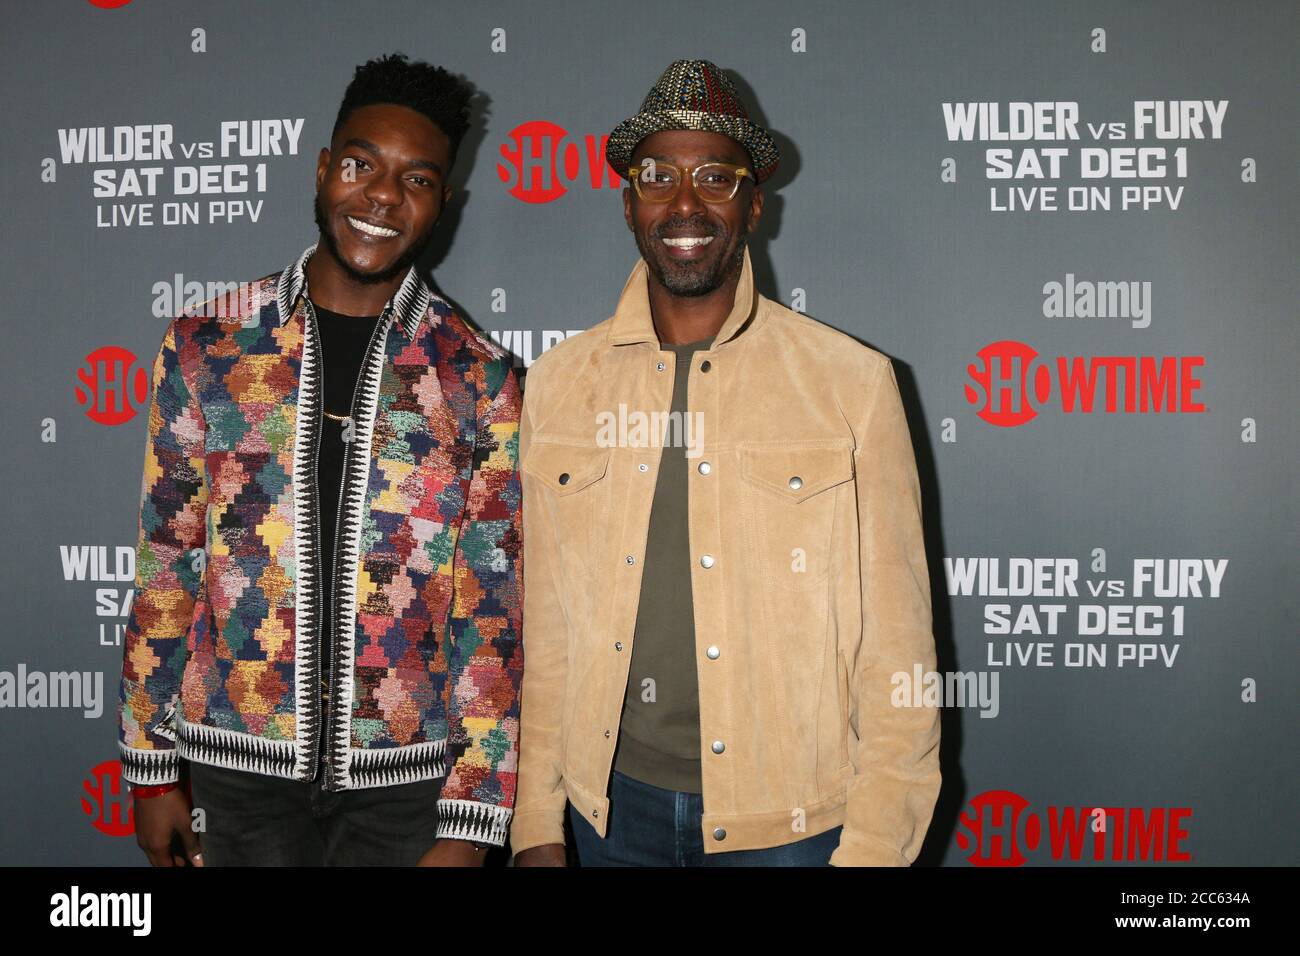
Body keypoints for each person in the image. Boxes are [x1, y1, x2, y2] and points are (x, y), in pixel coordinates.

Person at [510, 59, 940, 866]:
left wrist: (876, 850)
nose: (684, 202)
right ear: (628, 200)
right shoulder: (561, 385)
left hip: (798, 829)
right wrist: (537, 822)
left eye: (715, 176)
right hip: (606, 819)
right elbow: (549, 632)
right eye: (658, 176)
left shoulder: (852, 384)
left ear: (752, 204)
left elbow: (900, 652)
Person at [118, 53, 522, 867]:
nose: (381, 196)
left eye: (416, 179)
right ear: (322, 168)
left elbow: (491, 610)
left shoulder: (477, 376)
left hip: (406, 790)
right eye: (361, 164)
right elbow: (168, 560)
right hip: (238, 776)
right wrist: (152, 766)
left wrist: (471, 819)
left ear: (445, 201)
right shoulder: (209, 345)